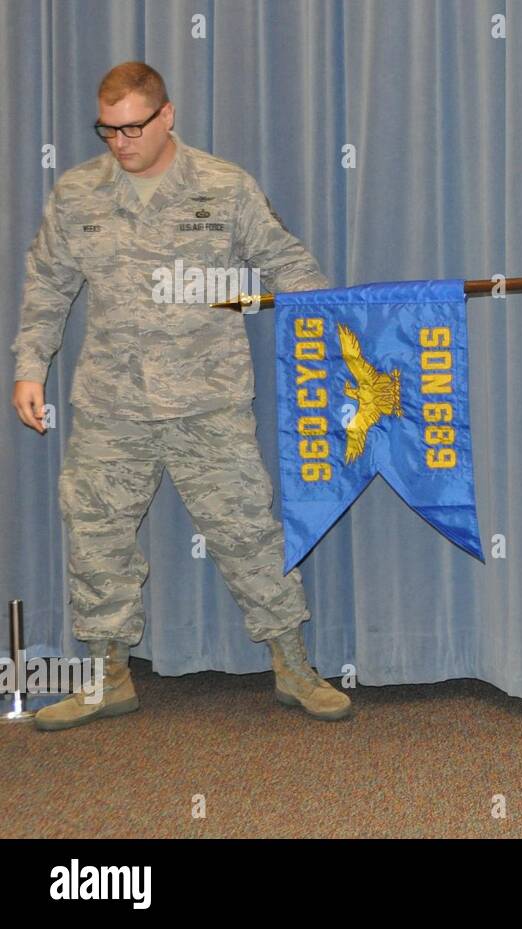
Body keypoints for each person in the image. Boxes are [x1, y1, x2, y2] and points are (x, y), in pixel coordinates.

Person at [11, 61, 351, 728]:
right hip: (111, 405)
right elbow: (48, 286)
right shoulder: (78, 193)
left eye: (134, 125)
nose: (121, 140)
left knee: (249, 534)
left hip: (208, 401)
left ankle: (293, 666)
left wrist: (342, 317)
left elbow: (285, 261)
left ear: (167, 115)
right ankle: (108, 675)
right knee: (96, 539)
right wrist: (29, 367)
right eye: (108, 129)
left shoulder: (223, 187)